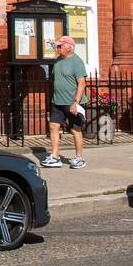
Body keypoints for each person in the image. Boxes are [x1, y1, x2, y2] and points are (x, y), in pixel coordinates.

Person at [43, 35, 88, 169]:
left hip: (72, 102)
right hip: (58, 101)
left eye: (60, 46)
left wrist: (76, 102)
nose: (58, 48)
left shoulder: (77, 62)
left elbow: (81, 84)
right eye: (57, 46)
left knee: (75, 129)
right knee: (53, 126)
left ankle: (79, 158)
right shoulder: (58, 60)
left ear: (69, 48)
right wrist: (50, 41)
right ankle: (55, 156)